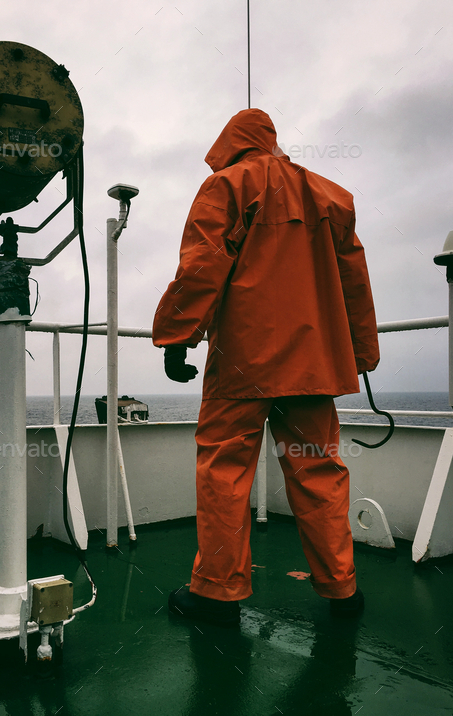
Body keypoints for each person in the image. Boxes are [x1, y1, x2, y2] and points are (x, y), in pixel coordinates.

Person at [152, 108, 379, 627]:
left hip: (243, 363)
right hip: (313, 365)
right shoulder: (332, 197)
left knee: (226, 473)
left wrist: (176, 337)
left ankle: (217, 593)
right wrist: (362, 351)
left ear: (228, 142)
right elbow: (354, 283)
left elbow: (202, 265)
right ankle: (342, 590)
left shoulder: (225, 187)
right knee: (318, 470)